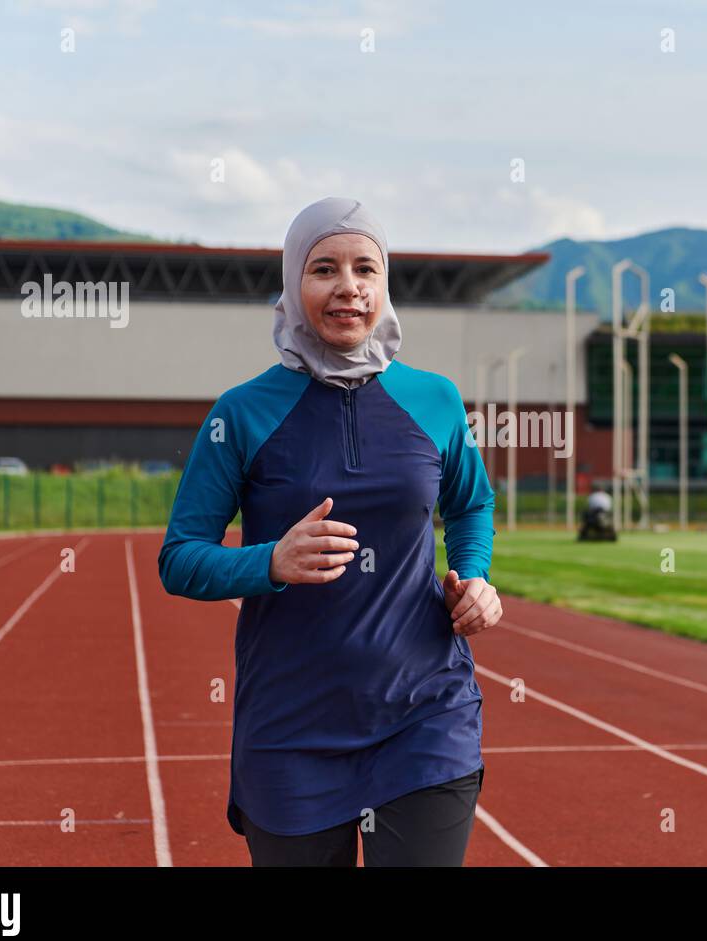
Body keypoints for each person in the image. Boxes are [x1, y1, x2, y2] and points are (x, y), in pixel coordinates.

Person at [158, 197, 502, 866]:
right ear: (293, 283)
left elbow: (472, 505)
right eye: (324, 269)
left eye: (365, 268)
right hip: (291, 731)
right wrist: (269, 562)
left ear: (384, 285)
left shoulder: (436, 400)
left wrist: (476, 576)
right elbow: (181, 558)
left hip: (424, 715)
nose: (349, 286)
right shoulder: (242, 412)